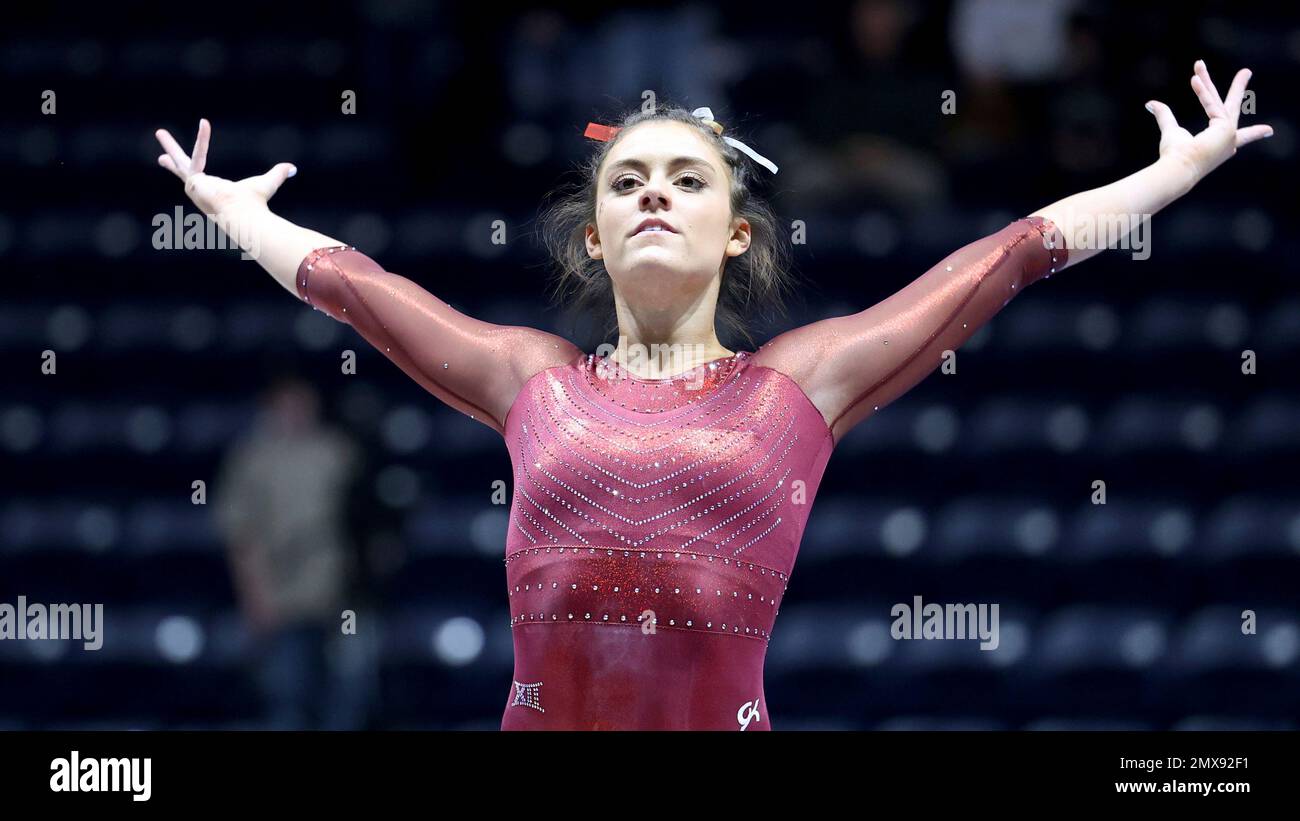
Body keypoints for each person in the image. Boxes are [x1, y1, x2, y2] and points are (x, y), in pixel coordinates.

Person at [159, 59, 1271, 729]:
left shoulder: (798, 386)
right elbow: (354, 287)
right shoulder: (531, 379)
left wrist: (1171, 172)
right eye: (628, 182)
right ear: (593, 238)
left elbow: (1009, 256)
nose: (654, 195)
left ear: (736, 232)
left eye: (687, 180)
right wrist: (238, 213)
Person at [213, 375, 362, 728]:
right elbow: (240, 534)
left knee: (348, 702)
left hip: (340, 597)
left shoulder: (338, 452)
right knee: (288, 702)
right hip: (283, 601)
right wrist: (254, 596)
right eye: (288, 403)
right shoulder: (253, 458)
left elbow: (366, 521)